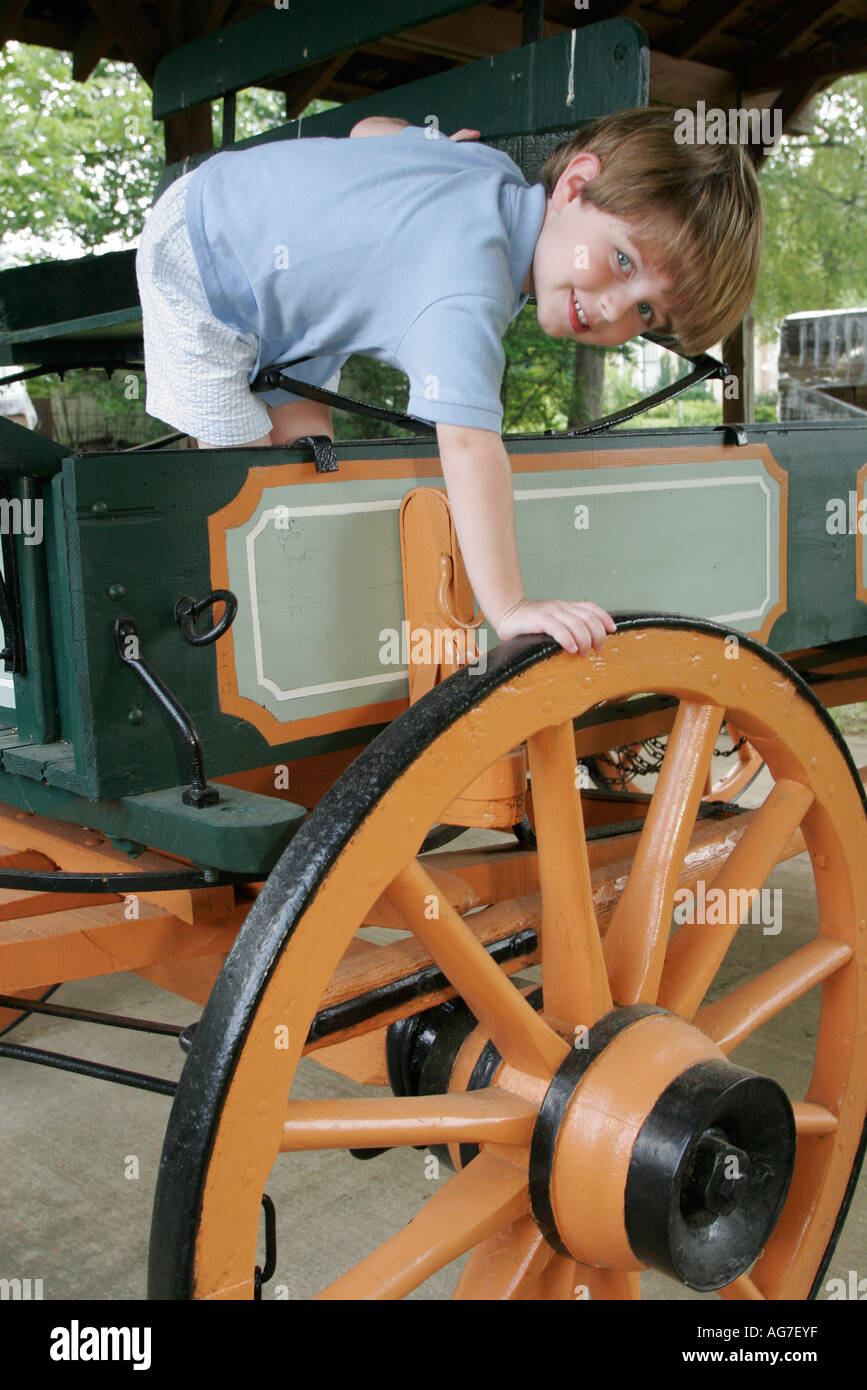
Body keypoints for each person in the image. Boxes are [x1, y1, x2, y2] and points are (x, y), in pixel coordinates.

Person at [136, 106, 762, 657]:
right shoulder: (469, 284)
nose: (613, 309)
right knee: (239, 483)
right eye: (623, 260)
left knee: (303, 473)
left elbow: (366, 131)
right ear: (575, 186)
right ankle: (208, 635)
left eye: (647, 313)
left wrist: (421, 141)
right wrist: (512, 608)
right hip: (203, 260)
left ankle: (303, 641)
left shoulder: (483, 168)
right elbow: (468, 446)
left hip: (275, 279)